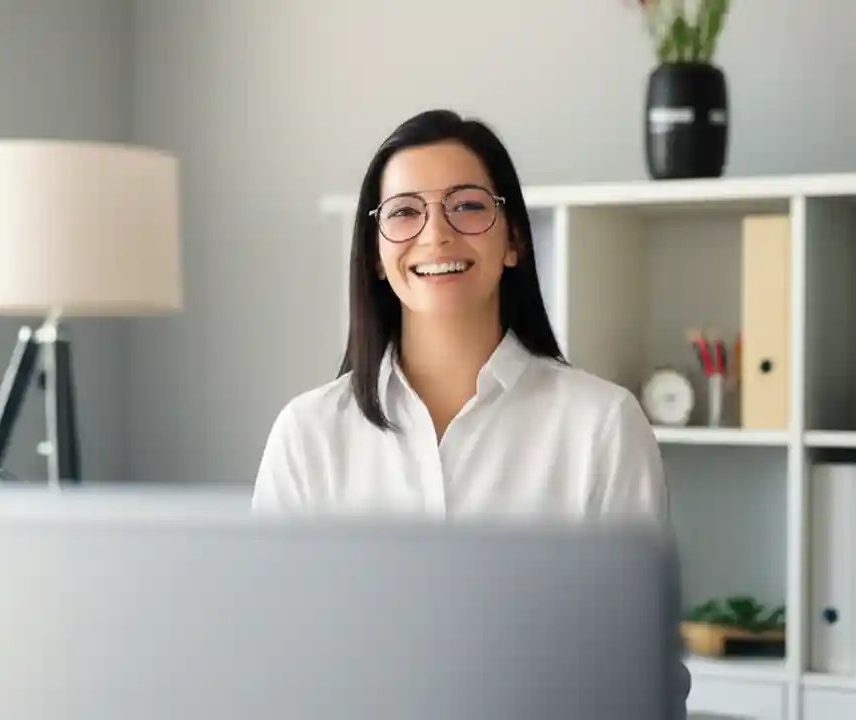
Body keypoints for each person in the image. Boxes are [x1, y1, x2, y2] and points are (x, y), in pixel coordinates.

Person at [252, 109, 669, 520]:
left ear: (514, 240)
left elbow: (635, 590)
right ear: (376, 256)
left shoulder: (604, 426)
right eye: (404, 211)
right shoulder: (308, 434)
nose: (436, 234)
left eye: (467, 206)